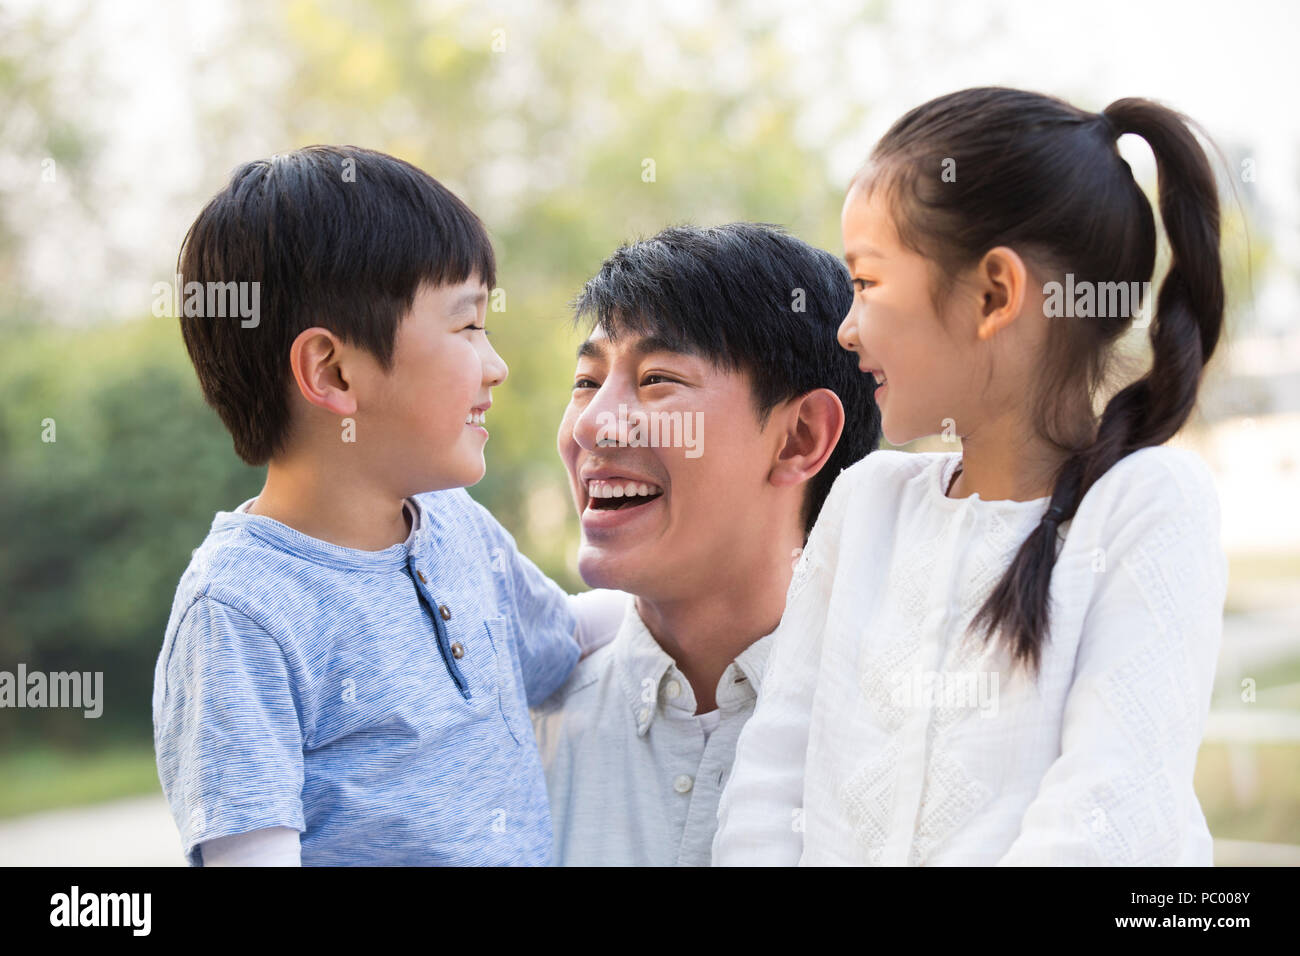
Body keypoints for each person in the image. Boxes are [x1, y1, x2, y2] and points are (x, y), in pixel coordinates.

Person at [713, 88, 1228, 866]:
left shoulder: (1144, 507)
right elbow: (773, 775)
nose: (847, 329)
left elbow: (1107, 820)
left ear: (995, 295)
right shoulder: (867, 504)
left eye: (867, 282)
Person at [153, 146, 621, 867]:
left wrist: (745, 585)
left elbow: (565, 636)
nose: (495, 365)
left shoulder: (456, 524)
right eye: (467, 327)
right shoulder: (240, 614)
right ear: (333, 372)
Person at [531, 222, 881, 865]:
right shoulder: (512, 729)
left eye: (657, 378)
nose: (591, 425)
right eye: (586, 381)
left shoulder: (901, 738)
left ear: (801, 436)